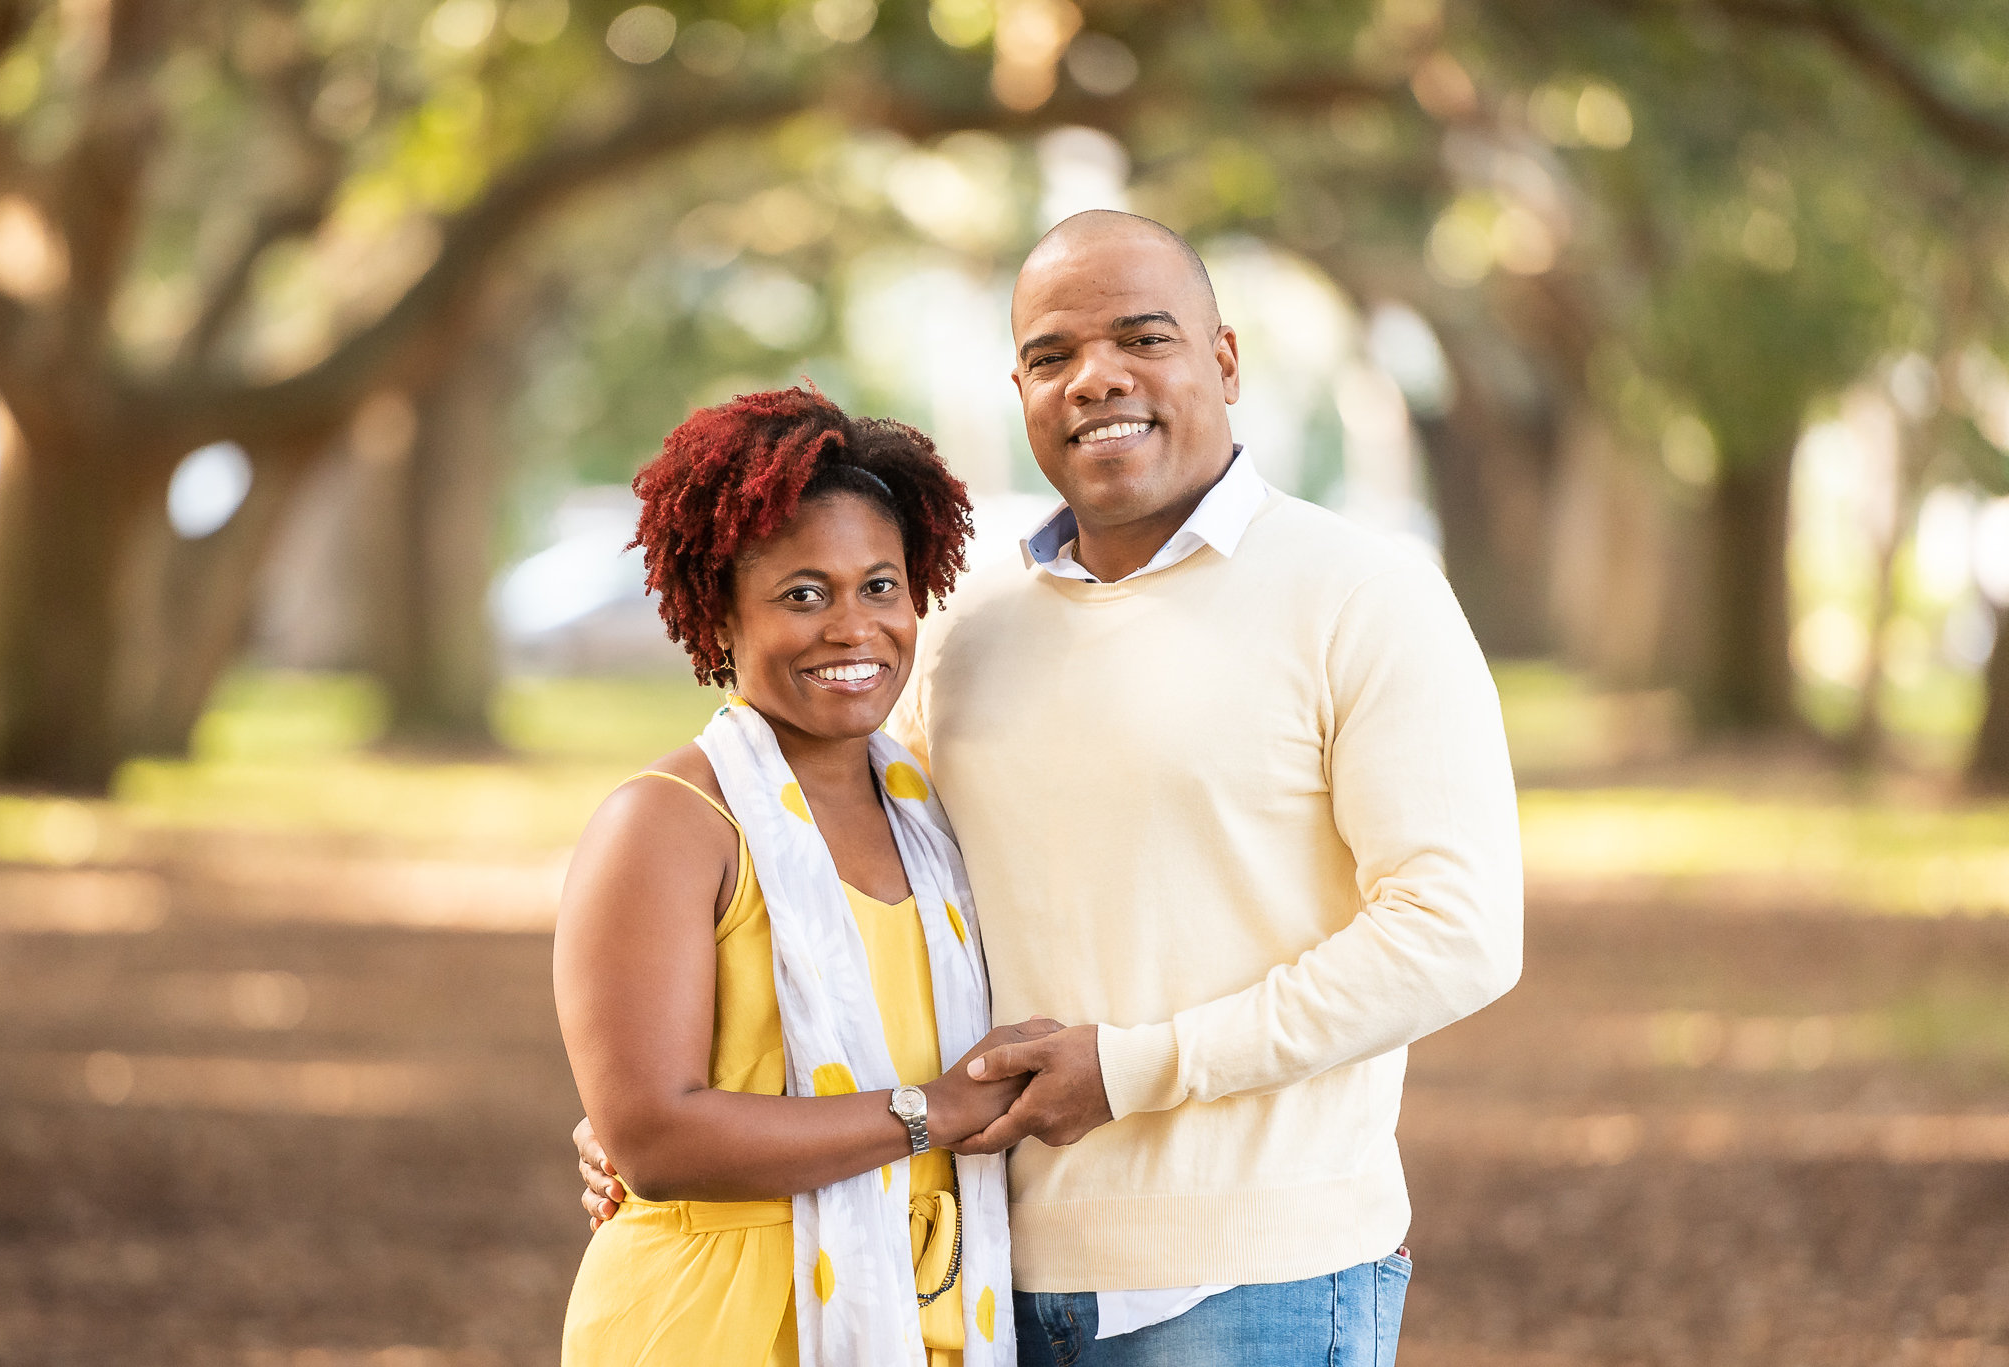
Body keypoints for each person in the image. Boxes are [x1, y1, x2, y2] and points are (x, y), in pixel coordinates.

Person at [580, 210, 1524, 1366]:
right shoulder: (963, 631)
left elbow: (1456, 934)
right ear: (1020, 386)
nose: (1096, 379)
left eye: (1142, 337)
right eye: (1051, 355)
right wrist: (666, 1107)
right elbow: (866, 911)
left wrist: (1133, 1068)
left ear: (1222, 359)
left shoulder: (1361, 594)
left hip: (1248, 1279)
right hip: (975, 1277)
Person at [554, 386, 1051, 1367]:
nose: (853, 627)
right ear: (719, 611)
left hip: (922, 1319)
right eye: (802, 594)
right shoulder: (667, 823)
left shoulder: (932, 814)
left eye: (879, 586)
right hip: (710, 1323)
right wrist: (929, 1111)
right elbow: (651, 1137)